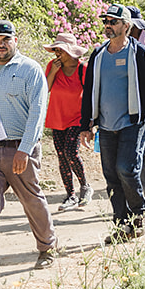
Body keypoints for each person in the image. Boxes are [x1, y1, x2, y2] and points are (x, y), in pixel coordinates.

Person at [0, 21, 56, 280]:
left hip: (19, 148)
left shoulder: (30, 70)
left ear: (15, 40)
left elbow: (37, 114)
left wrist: (25, 150)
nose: (1, 44)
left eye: (6, 38)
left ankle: (48, 247)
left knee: (31, 198)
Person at [81, 5, 145, 244]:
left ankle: (139, 212)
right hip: (106, 125)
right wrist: (86, 125)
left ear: (126, 26)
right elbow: (88, 92)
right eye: (106, 21)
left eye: (113, 22)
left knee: (126, 168)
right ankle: (121, 223)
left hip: (133, 122)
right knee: (110, 174)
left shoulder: (139, 53)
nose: (108, 25)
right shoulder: (98, 55)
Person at [43, 33, 92, 211]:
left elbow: (91, 96)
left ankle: (85, 186)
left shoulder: (83, 69)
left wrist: (91, 123)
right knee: (62, 157)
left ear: (70, 51)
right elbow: (45, 89)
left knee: (71, 152)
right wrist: (54, 72)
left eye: (60, 50)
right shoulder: (52, 67)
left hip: (76, 118)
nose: (57, 54)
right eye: (55, 50)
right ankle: (70, 195)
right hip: (57, 117)